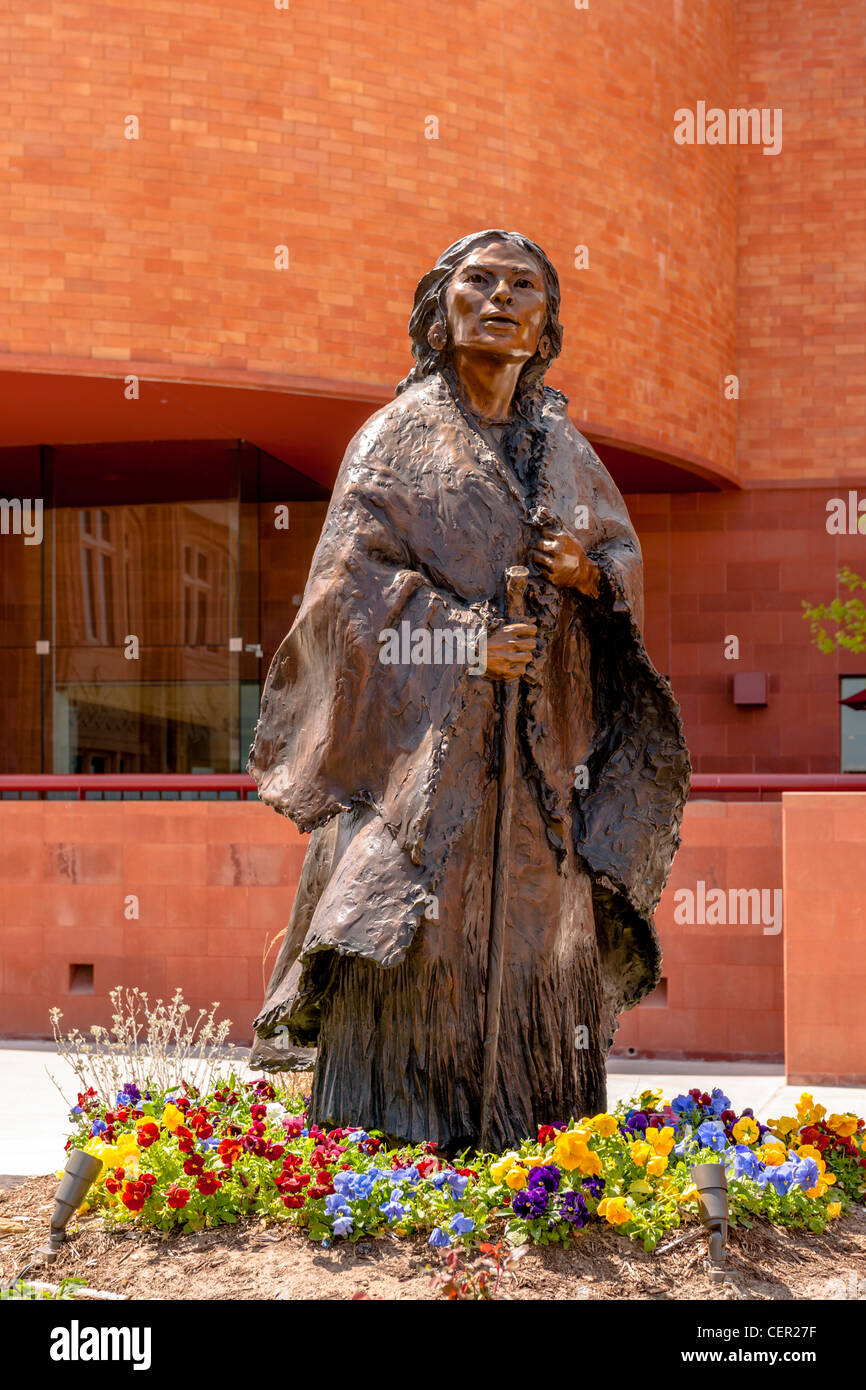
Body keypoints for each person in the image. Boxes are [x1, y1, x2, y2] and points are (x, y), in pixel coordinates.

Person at [248, 229, 690, 1153]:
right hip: (425, 775)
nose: (501, 299)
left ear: (545, 322)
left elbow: (619, 558)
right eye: (478, 282)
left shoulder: (564, 447)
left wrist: (584, 572)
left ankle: (544, 1156)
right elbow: (343, 595)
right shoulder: (395, 438)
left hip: (537, 784)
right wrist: (461, 638)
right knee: (414, 946)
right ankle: (391, 1149)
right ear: (438, 311)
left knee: (538, 955)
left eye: (523, 286)